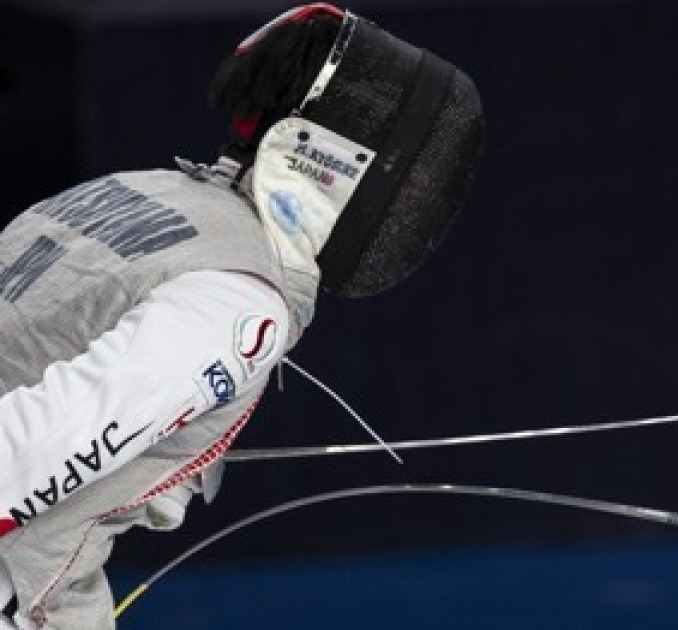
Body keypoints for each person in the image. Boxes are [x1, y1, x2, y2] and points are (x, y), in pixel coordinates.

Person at [0, 4, 484, 628]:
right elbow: (31, 447)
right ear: (328, 160)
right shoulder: (239, 299)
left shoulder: (137, 190)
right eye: (405, 178)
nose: (416, 200)